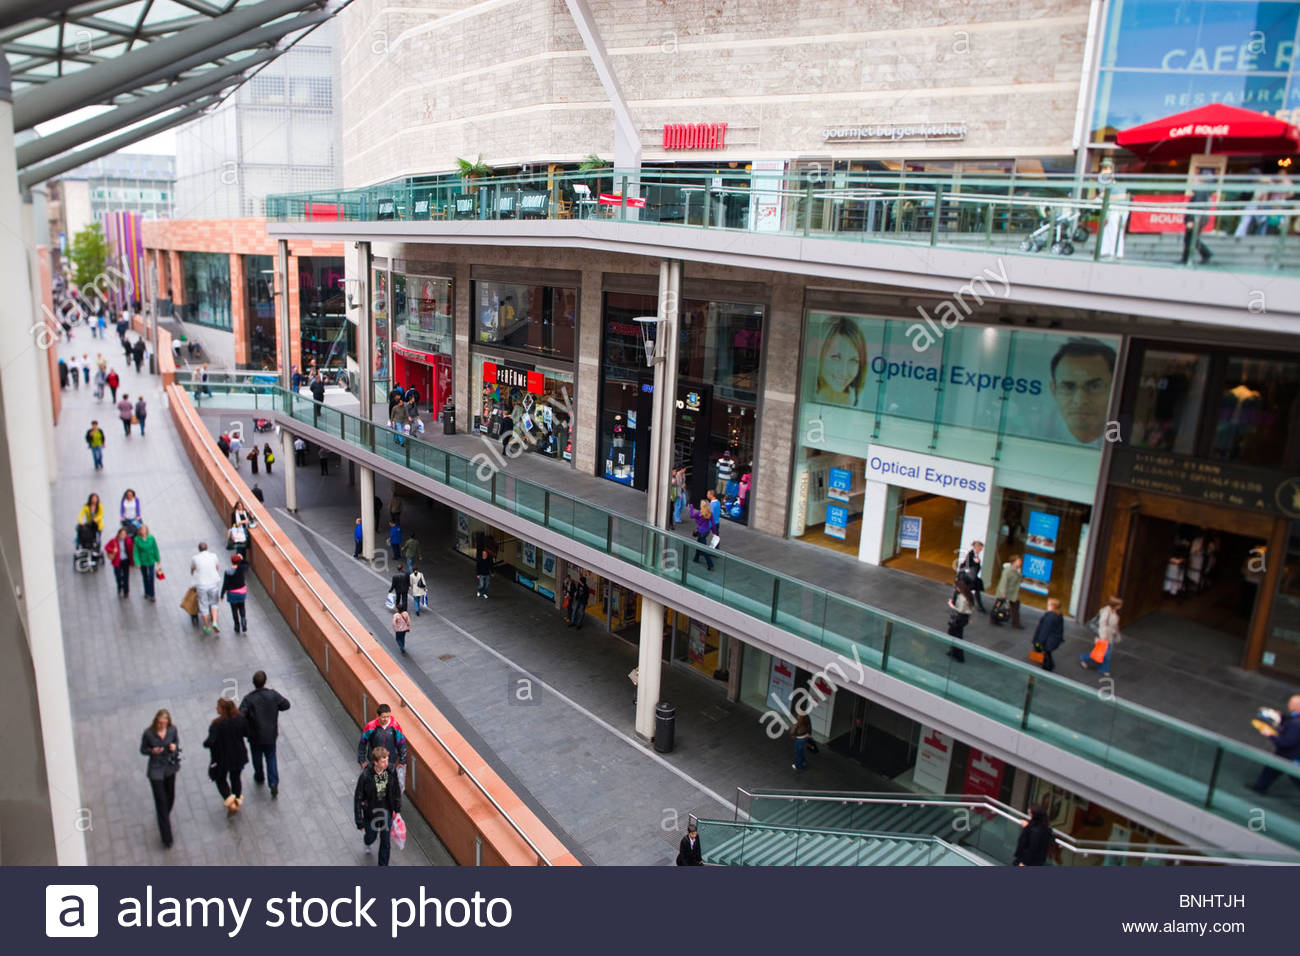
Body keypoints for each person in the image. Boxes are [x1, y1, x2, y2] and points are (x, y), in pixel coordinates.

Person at [1049, 338, 1116, 444]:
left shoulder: (1120, 438)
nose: (1080, 400)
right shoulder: (1039, 434)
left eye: (1094, 387)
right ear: (1054, 391)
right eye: (1068, 387)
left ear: (1114, 389)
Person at [239, 670, 291, 799]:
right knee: (271, 757)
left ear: (254, 683)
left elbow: (241, 715)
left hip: (255, 736)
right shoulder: (272, 695)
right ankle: (273, 782)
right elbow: (286, 705)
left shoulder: (248, 699)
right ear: (265, 682)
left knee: (257, 757)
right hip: (270, 734)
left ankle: (259, 776)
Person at [354, 745, 402, 866]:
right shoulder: (365, 776)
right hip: (371, 813)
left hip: (386, 811)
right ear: (375, 762)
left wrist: (397, 809)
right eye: (383, 761)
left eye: (387, 759)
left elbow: (396, 790)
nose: (387, 763)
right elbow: (358, 799)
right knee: (371, 836)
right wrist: (359, 822)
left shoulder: (391, 771)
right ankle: (367, 841)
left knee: (386, 842)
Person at [202, 697, 249, 817]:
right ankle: (237, 799)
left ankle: (230, 801)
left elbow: (210, 742)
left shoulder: (217, 725)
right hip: (238, 755)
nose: (216, 708)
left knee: (220, 778)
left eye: (218, 706)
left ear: (223, 709)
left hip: (222, 757)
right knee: (236, 778)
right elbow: (246, 732)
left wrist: (206, 743)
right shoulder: (240, 719)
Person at [140, 708, 180, 848]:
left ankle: (164, 816)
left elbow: (177, 743)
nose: (162, 725)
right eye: (160, 722)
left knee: (170, 797)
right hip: (156, 769)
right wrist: (152, 751)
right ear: (156, 721)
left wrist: (174, 747)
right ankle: (166, 837)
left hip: (169, 767)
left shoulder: (172, 730)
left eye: (165, 722)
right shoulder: (149, 733)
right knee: (161, 802)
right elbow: (143, 750)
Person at [1248, 695, 1300, 794]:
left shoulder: (1296, 725)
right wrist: (1281, 716)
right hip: (1289, 755)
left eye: (1290, 703)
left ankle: (1260, 787)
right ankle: (1259, 787)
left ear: (1295, 707)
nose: (1288, 705)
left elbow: (1286, 742)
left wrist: (1270, 734)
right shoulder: (1295, 719)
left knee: (1295, 777)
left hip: (1290, 757)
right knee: (1271, 770)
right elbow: (1290, 719)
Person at [814, 316, 868, 406]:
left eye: (853, 360)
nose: (844, 371)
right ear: (818, 356)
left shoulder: (857, 400)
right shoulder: (806, 396)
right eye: (835, 358)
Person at [1080, 595, 1122, 677]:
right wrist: (1103, 637)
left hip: (1109, 636)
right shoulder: (1106, 612)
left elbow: (1115, 626)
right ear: (1115, 605)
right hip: (1105, 636)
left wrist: (1117, 635)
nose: (1120, 606)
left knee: (1102, 653)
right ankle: (1103, 669)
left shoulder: (1113, 612)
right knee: (1106, 653)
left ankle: (1086, 659)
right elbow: (1102, 624)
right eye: (1119, 605)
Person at [190, 541, 224, 634]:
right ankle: (214, 622)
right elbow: (217, 567)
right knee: (214, 603)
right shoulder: (213, 556)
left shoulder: (195, 558)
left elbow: (192, 569)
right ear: (207, 548)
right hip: (213, 583)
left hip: (201, 584)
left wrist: (193, 573)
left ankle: (207, 626)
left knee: (203, 605)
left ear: (199, 549)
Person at [1183, 171, 1215, 265]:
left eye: (1196, 178)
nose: (1193, 180)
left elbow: (1197, 207)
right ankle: (1203, 255)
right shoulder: (1202, 191)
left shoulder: (1201, 192)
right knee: (1192, 238)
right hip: (1199, 218)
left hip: (1197, 218)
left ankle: (1190, 258)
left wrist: (1191, 220)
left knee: (1191, 238)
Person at [1031, 597, 1065, 671]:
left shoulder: (1050, 617)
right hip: (1054, 640)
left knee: (1045, 653)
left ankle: (1047, 667)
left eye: (1049, 605)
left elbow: (1044, 631)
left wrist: (1039, 642)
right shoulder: (1058, 615)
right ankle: (1048, 665)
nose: (1047, 606)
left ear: (1053, 607)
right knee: (1047, 653)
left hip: (1048, 641)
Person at [947, 577, 974, 662]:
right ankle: (954, 652)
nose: (956, 589)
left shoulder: (962, 597)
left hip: (960, 618)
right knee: (957, 634)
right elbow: (970, 608)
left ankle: (958, 655)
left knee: (957, 635)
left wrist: (951, 605)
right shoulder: (968, 595)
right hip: (964, 618)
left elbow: (960, 610)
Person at [993, 556, 1024, 628]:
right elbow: (1003, 582)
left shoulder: (1017, 570)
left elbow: (1019, 580)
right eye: (1018, 561)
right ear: (1014, 562)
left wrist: (1019, 573)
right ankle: (994, 618)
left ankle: (1016, 623)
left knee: (1015, 606)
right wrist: (1003, 592)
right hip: (1006, 592)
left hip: (1012, 592)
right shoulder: (1008, 571)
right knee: (998, 605)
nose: (1020, 563)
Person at [221, 554, 249, 634]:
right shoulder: (242, 569)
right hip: (241, 592)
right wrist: (242, 558)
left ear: (231, 562)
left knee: (234, 610)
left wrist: (222, 595)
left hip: (232, 593)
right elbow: (247, 564)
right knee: (242, 607)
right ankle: (243, 621)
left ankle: (237, 626)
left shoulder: (228, 572)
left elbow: (225, 584)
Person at [956, 541, 986, 612]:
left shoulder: (975, 555)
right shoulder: (971, 554)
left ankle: (979, 605)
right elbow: (966, 564)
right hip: (968, 577)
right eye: (980, 548)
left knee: (975, 588)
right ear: (977, 547)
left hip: (971, 577)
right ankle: (978, 605)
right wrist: (974, 563)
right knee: (966, 589)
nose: (981, 549)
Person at [133, 524, 160, 602]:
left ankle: (152, 594)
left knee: (151, 577)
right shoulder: (137, 540)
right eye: (141, 530)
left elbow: (155, 548)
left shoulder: (151, 538)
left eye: (144, 530)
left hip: (150, 560)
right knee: (145, 576)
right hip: (143, 561)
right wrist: (137, 562)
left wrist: (157, 559)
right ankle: (146, 591)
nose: (143, 531)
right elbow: (136, 552)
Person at [105, 527, 135, 597]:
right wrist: (113, 550)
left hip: (125, 561)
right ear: (118, 534)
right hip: (117, 561)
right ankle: (119, 586)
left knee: (126, 577)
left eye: (125, 534)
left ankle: (126, 591)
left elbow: (132, 549)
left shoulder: (128, 540)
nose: (123, 536)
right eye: (122, 534)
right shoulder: (113, 540)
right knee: (118, 576)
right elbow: (106, 547)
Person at [688, 499, 716, 571]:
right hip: (706, 531)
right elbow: (713, 524)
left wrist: (691, 508)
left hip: (701, 532)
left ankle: (710, 565)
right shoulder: (710, 513)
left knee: (704, 548)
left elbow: (691, 516)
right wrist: (714, 532)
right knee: (699, 543)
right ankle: (696, 558)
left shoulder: (699, 513)